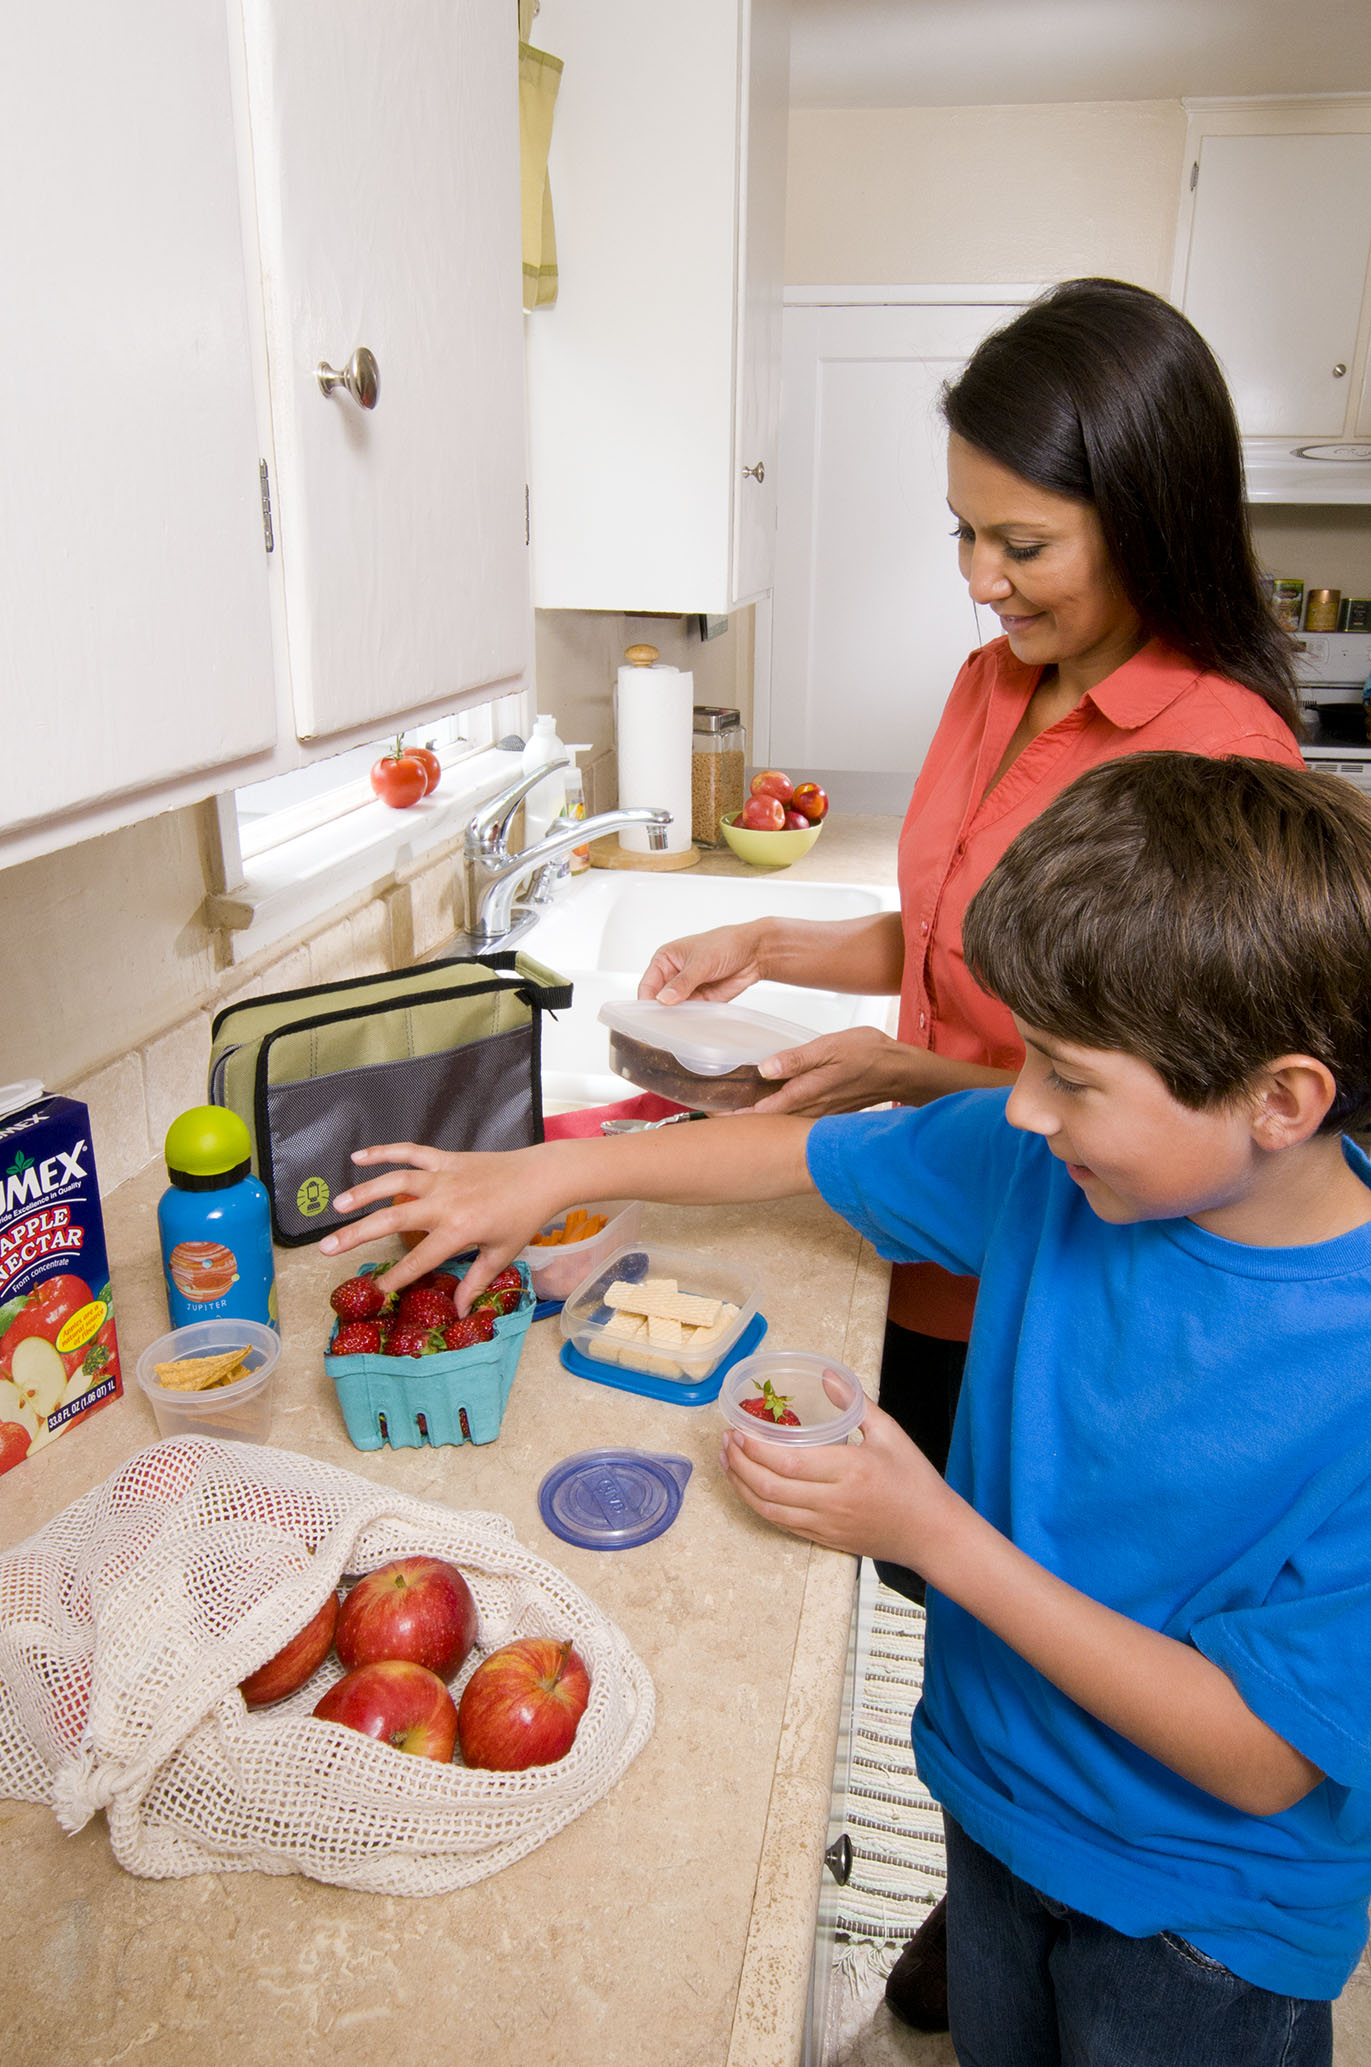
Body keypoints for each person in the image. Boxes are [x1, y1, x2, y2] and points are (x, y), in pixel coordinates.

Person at [321, 753, 1371, 2066]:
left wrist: (932, 1533)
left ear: (1280, 1099)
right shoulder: (1050, 1169)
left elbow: (1264, 1756)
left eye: (1069, 1075)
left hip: (1201, 1923)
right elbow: (802, 1154)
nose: (1019, 1106)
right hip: (992, 1801)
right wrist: (544, 1176)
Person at [636, 276, 1306, 1606]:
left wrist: (906, 1078)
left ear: (1149, 520)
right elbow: (954, 936)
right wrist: (768, 941)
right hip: (923, 1222)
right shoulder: (994, 679)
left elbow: (1174, 1110)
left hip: (1056, 1261)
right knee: (901, 1574)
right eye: (964, 531)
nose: (979, 579)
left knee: (1000, 1590)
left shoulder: (1216, 757)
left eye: (1024, 544)